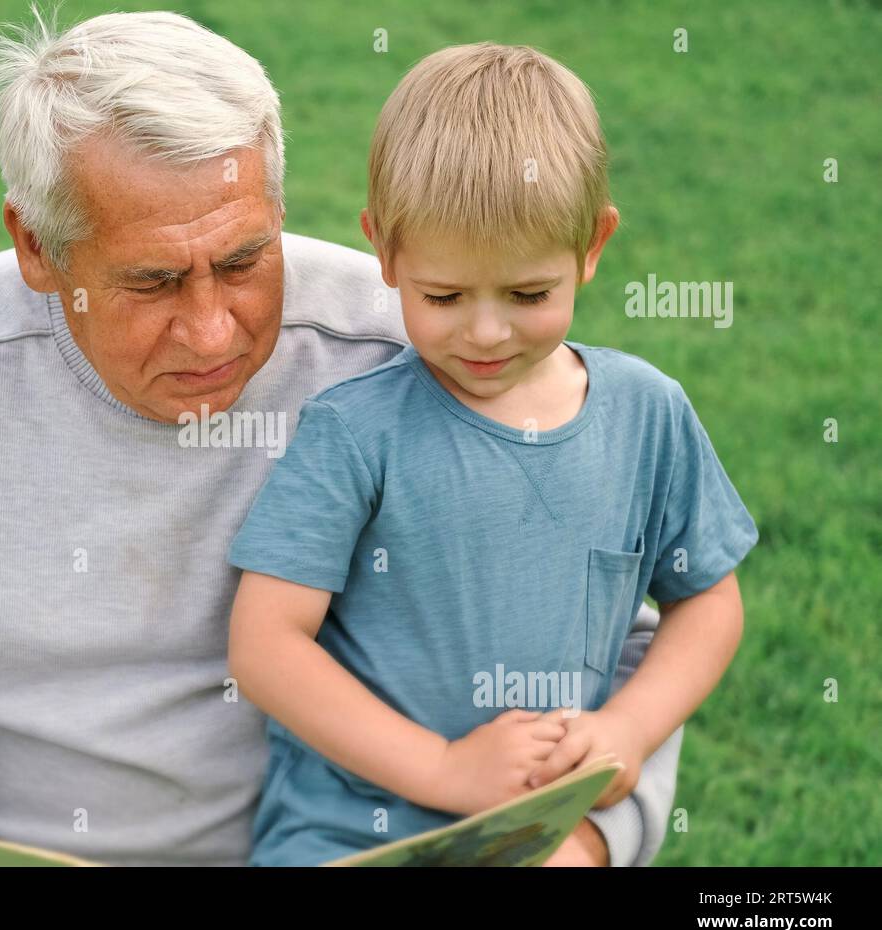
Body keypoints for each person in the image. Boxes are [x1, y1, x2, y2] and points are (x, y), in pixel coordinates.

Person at [0, 13, 678, 867]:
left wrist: (587, 839)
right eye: (150, 282)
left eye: (243, 261)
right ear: (36, 248)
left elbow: (604, 637)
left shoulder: (412, 346)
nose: (215, 330)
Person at [227, 42, 755, 866]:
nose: (484, 332)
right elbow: (265, 646)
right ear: (384, 251)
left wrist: (628, 727)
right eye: (442, 296)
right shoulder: (356, 431)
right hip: (343, 837)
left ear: (593, 244)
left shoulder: (648, 415)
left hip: (531, 833)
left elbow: (709, 603)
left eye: (528, 295)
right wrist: (443, 768)